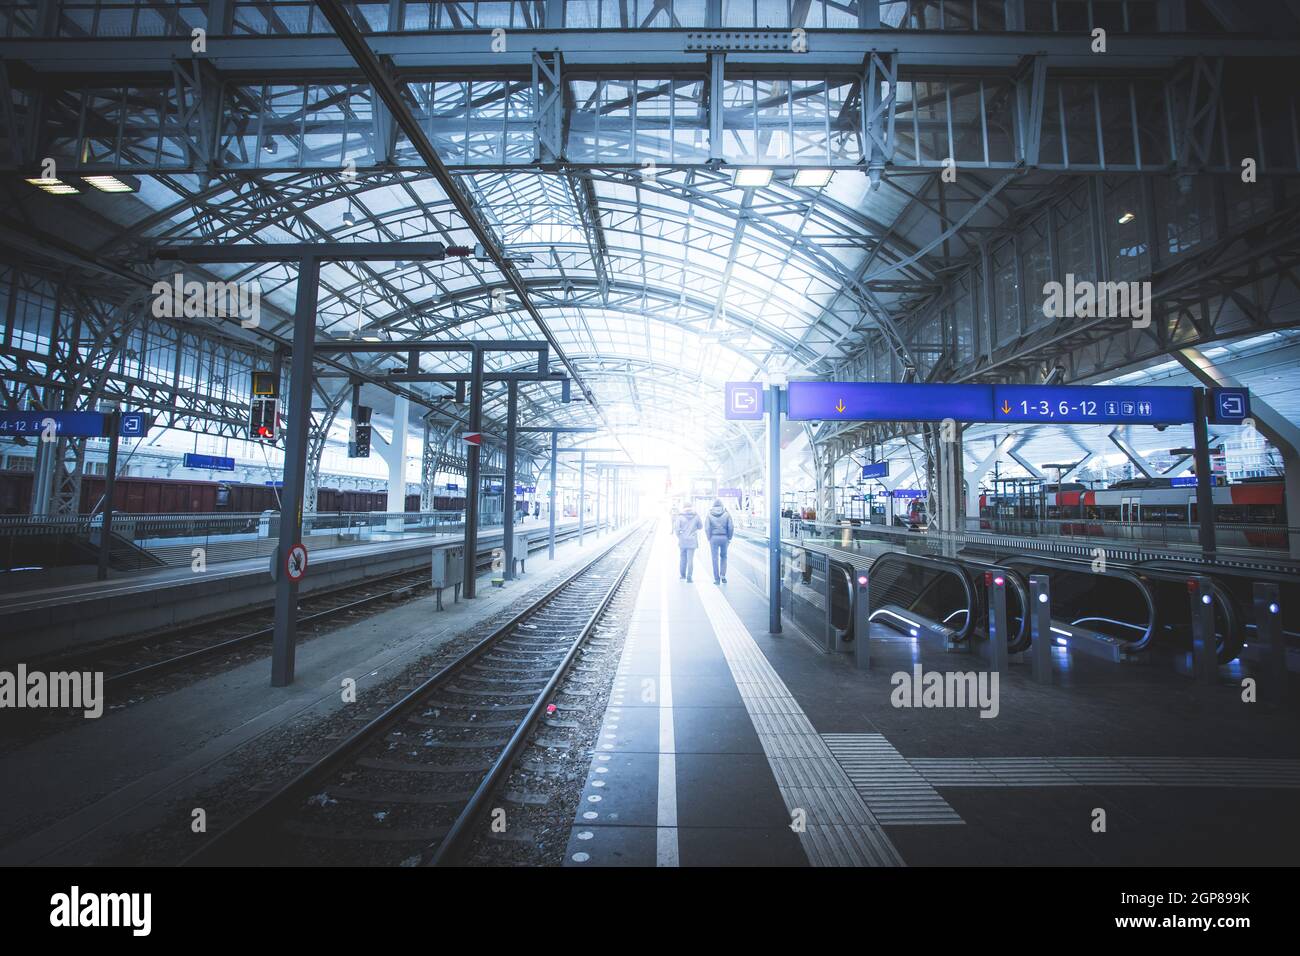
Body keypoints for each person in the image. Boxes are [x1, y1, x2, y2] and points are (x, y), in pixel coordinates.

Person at [705, 497, 734, 584]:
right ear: (722, 506)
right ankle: (723, 576)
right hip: (724, 538)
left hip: (714, 538)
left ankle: (717, 579)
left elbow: (707, 528)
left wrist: (709, 537)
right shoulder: (727, 514)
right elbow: (731, 527)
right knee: (724, 557)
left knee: (714, 558)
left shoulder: (709, 514)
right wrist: (729, 538)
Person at [673, 502, 703, 582]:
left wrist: (680, 537)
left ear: (684, 508)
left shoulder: (680, 516)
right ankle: (689, 576)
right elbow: (700, 527)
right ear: (691, 507)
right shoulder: (696, 516)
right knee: (690, 559)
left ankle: (683, 575)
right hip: (692, 541)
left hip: (683, 540)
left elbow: (676, 529)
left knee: (683, 558)